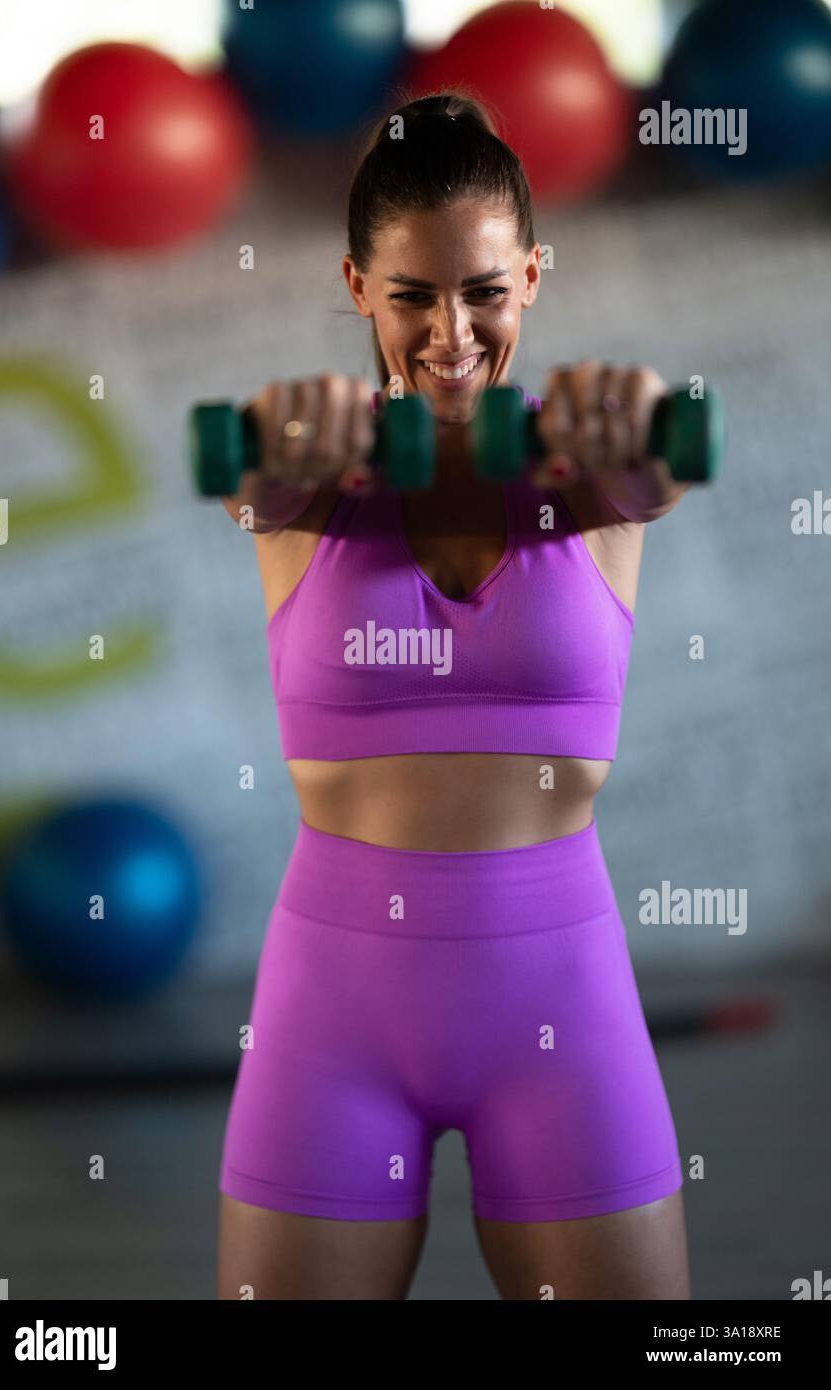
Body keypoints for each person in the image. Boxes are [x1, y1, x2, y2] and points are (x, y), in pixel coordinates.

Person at [216, 91, 690, 1300]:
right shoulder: (316, 471)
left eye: (481, 290)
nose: (449, 334)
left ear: (530, 275)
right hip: (335, 1012)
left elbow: (651, 467)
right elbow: (255, 469)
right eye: (412, 295)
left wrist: (639, 426)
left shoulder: (583, 462)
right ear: (357, 285)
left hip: (559, 996)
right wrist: (281, 440)